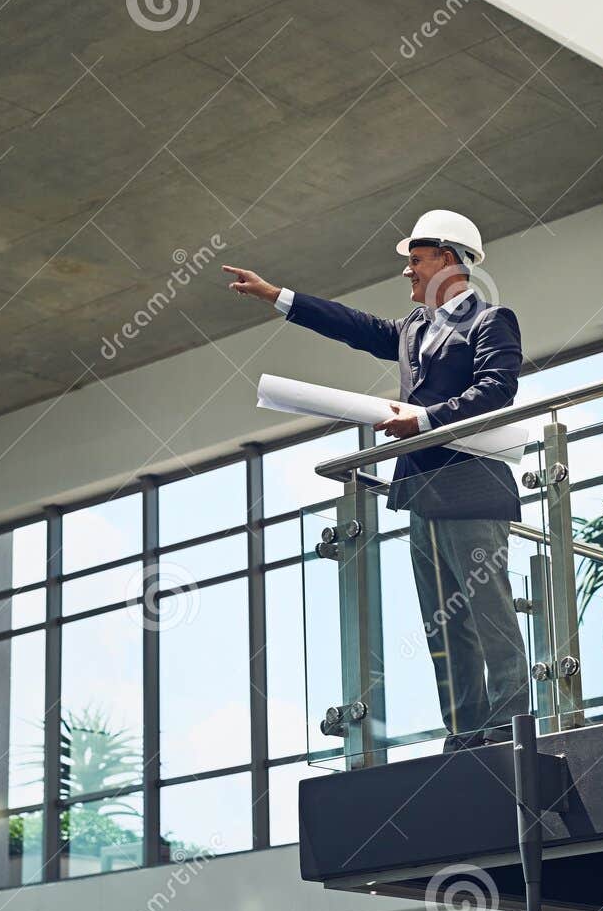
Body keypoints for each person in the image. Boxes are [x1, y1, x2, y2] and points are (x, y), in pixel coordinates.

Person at [224, 210, 529, 750]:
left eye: (415, 260)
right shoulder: (414, 329)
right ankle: (465, 734)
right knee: (444, 627)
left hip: (473, 485)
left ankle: (509, 730)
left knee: (489, 619)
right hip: (422, 492)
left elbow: (498, 389)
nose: (407, 272)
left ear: (449, 260)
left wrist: (425, 420)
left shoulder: (490, 320)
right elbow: (355, 327)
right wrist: (278, 297)